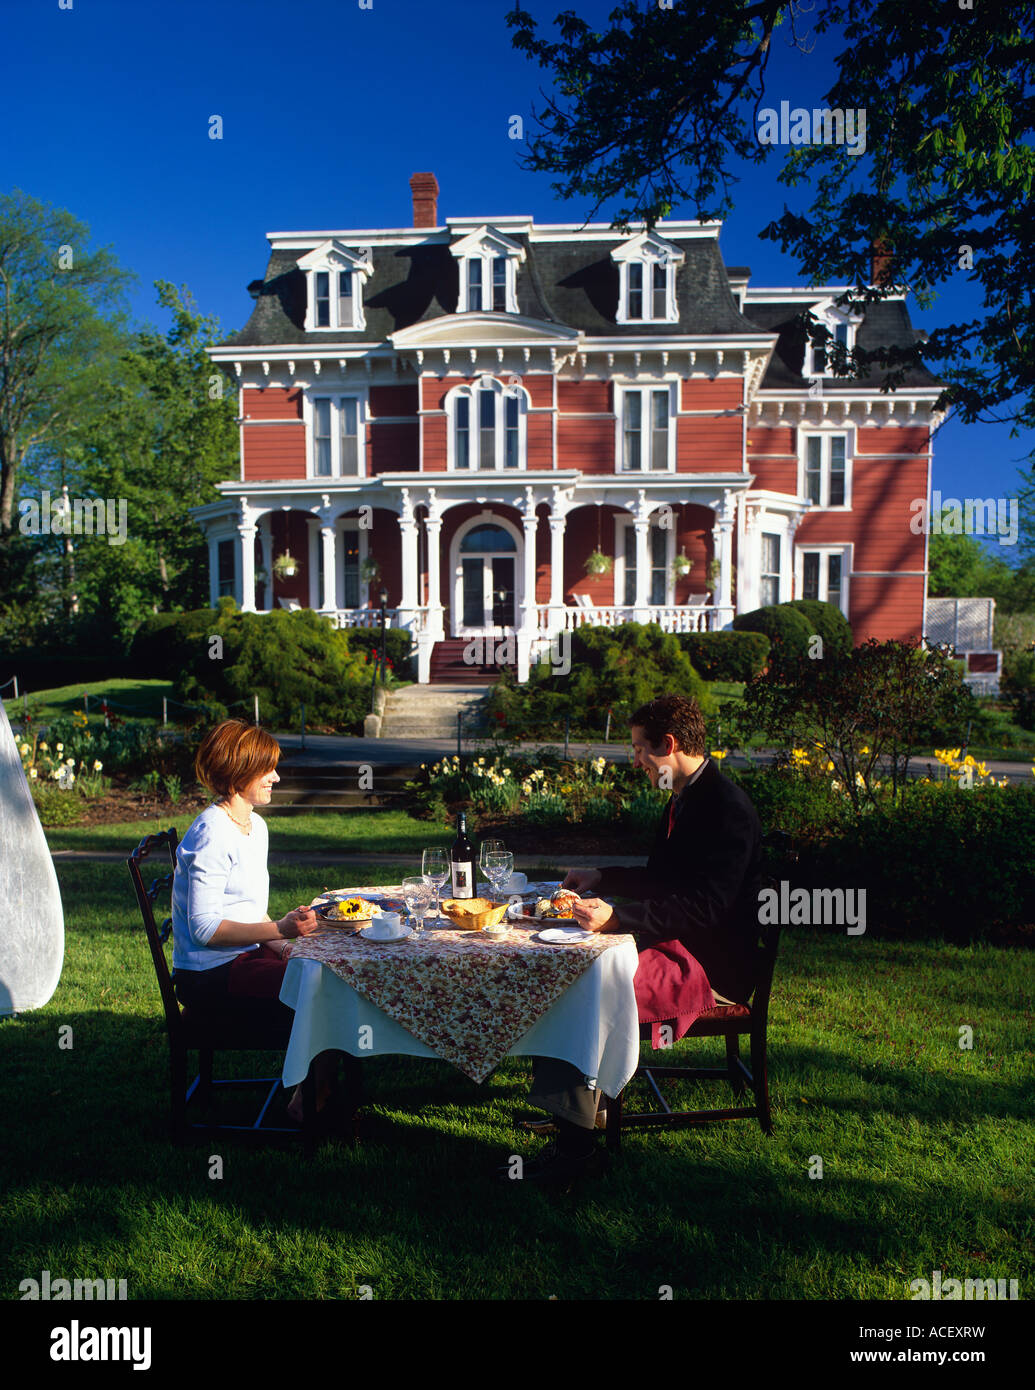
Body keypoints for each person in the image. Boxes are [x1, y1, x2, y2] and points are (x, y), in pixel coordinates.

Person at [513, 693, 763, 1185]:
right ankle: (580, 1108)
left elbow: (706, 909)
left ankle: (577, 1148)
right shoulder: (687, 795)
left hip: (710, 966)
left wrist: (615, 920)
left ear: (668, 744)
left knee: (578, 982)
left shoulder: (726, 808)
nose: (636, 761)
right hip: (677, 944)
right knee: (560, 964)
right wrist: (600, 876)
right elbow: (660, 880)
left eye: (639, 749)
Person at [171, 719, 356, 1126]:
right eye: (265, 769)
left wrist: (286, 946)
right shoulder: (212, 833)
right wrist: (280, 931)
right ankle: (310, 1101)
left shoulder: (255, 826)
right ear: (238, 773)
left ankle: (319, 1089)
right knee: (323, 988)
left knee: (329, 968)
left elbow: (247, 907)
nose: (275, 776)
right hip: (209, 976)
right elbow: (203, 928)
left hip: (242, 958)